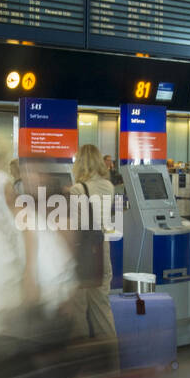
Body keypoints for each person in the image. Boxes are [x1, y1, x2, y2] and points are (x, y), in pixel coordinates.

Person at [64, 144, 118, 351]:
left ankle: (85, 363)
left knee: (79, 311)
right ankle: (113, 363)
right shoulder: (108, 186)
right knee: (102, 310)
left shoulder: (78, 189)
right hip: (102, 251)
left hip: (83, 254)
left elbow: (78, 226)